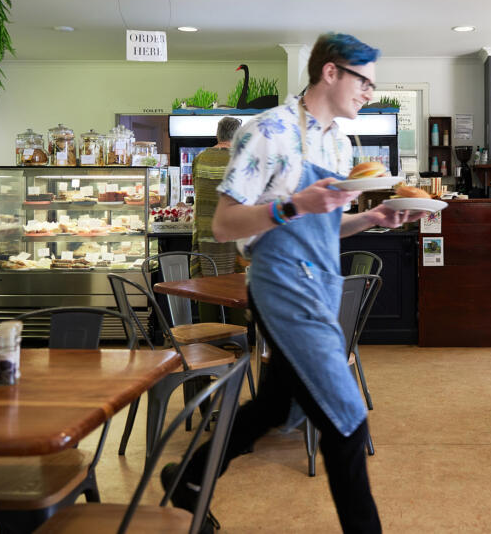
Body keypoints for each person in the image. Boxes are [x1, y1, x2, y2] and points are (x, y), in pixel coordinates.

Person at [164, 33, 422, 532]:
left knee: (273, 405)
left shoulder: (338, 143)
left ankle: (189, 480)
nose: (369, 93)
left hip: (320, 286)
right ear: (330, 72)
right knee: (347, 420)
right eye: (364, 81)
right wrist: (293, 205)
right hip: (282, 284)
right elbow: (225, 225)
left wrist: (372, 219)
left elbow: (323, 226)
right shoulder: (268, 131)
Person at [191, 116, 245, 324]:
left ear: (217, 135)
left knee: (207, 285)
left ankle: (209, 335)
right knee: (238, 286)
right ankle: (238, 334)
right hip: (235, 235)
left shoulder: (200, 159)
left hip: (206, 234)